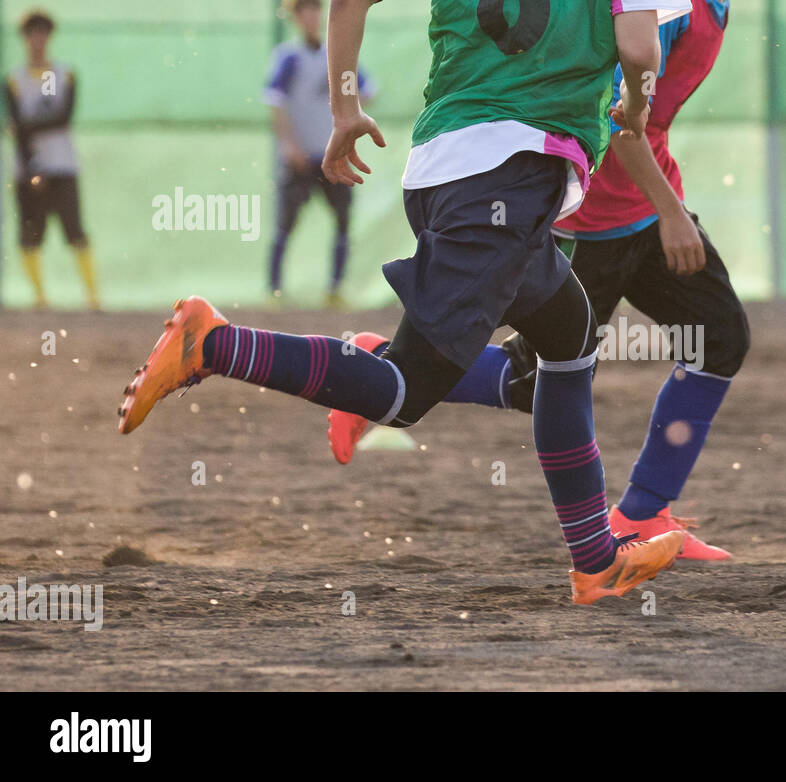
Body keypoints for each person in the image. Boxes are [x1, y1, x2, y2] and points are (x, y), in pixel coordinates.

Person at [118, 0, 692, 606]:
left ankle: (596, 562)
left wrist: (345, 108)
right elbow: (638, 49)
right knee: (401, 394)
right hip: (511, 177)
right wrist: (638, 100)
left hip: (446, 168)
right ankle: (212, 344)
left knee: (569, 337)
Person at [326, 0, 745, 561]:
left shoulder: (712, 10)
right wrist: (673, 215)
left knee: (719, 339)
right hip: (597, 217)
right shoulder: (671, 12)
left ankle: (642, 513)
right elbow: (620, 117)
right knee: (535, 378)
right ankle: (378, 371)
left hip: (638, 211)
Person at [264, 0, 375, 307]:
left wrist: (351, 114)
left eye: (315, 8)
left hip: (334, 158)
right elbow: (275, 103)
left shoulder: (336, 56)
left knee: (342, 223)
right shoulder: (288, 58)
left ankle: (335, 289)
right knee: (284, 225)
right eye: (304, 10)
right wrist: (289, 147)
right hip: (299, 160)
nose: (311, 16)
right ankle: (274, 290)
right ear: (295, 17)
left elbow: (368, 90)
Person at [5, 8, 99, 309]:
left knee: (75, 229)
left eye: (43, 32)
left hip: (62, 164)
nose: (38, 39)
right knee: (31, 233)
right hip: (29, 167)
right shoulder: (14, 80)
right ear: (25, 38)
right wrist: (32, 165)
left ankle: (92, 296)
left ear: (49, 36)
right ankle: (40, 298)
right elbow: (18, 128)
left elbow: (63, 117)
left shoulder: (64, 74)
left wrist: (25, 126)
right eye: (32, 33)